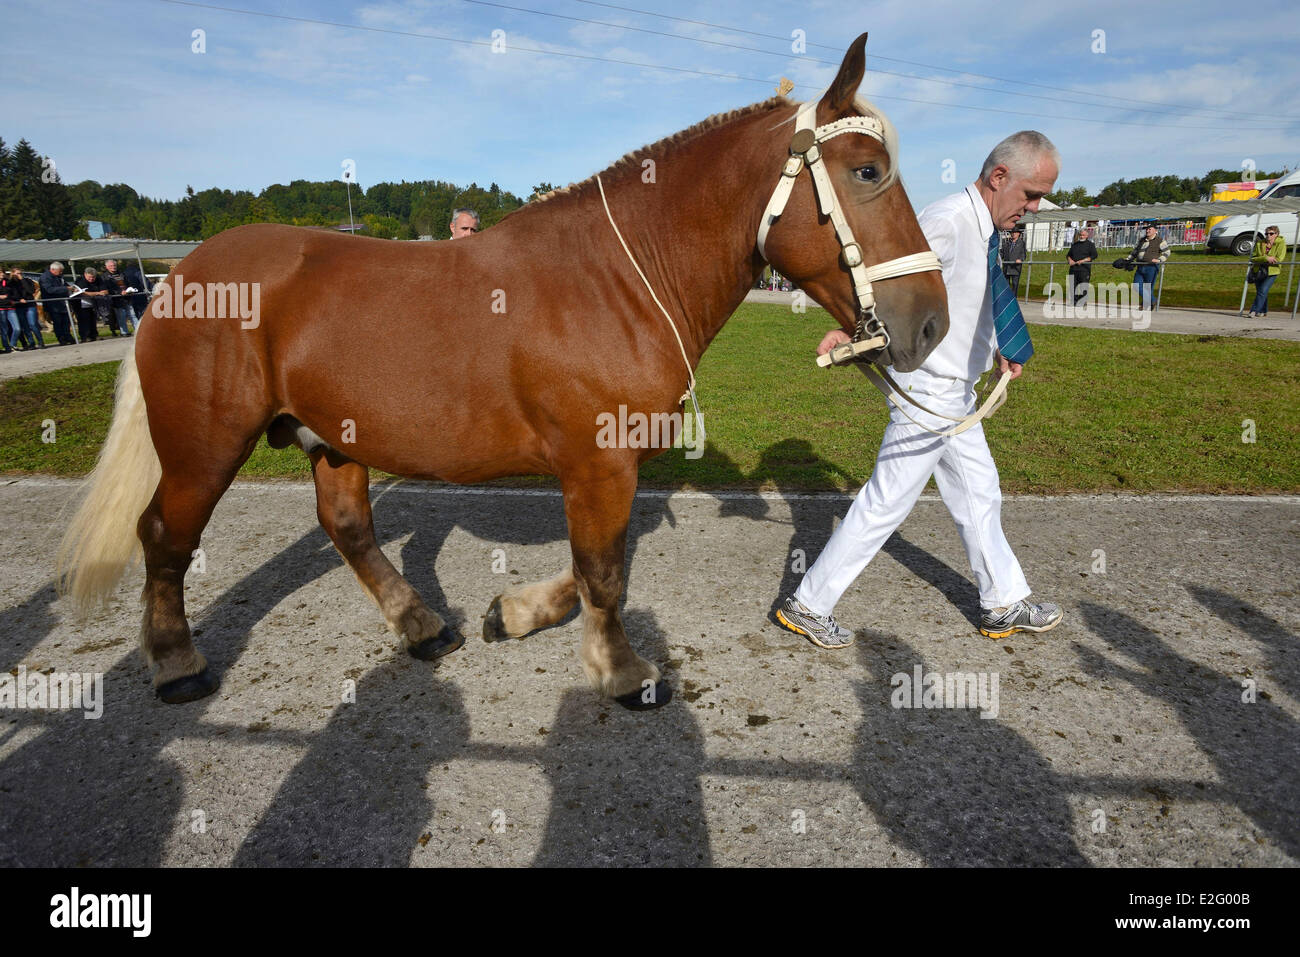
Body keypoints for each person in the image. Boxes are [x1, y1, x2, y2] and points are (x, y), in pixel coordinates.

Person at [776, 130, 1065, 648]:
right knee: (886, 502)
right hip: (928, 390)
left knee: (979, 493)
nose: (1035, 207)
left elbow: (971, 296)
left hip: (955, 390)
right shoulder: (949, 222)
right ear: (999, 177)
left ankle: (1002, 602)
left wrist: (1002, 343)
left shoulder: (982, 230)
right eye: (1031, 194)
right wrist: (852, 332)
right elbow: (891, 286)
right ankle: (808, 604)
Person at [1244, 226, 1287, 318]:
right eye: (1266, 233)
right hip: (1258, 271)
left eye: (1271, 233)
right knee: (1261, 291)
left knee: (1263, 290)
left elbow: (1279, 258)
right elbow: (1253, 258)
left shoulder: (1281, 243)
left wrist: (1269, 259)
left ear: (1276, 234)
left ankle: (1254, 311)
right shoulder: (1260, 243)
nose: (1268, 235)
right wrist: (1266, 258)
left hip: (1272, 271)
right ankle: (1263, 310)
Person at [1125, 223, 1168, 312]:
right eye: (1147, 229)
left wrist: (1160, 260)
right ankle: (1152, 300)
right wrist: (1127, 260)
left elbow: (1167, 252)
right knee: (1136, 286)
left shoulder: (1160, 240)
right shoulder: (1142, 240)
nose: (1147, 230)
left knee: (1148, 287)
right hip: (1140, 266)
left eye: (1150, 229)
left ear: (1155, 231)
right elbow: (1135, 252)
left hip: (1151, 267)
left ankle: (1146, 305)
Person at [39, 262, 76, 345]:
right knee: (58, 322)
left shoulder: (59, 277)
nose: (61, 273)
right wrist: (65, 288)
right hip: (53, 305)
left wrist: (72, 289)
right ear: (53, 270)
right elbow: (50, 290)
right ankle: (61, 338)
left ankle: (68, 336)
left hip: (63, 303)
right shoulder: (45, 278)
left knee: (66, 321)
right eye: (59, 271)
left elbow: (65, 285)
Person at [9, 266, 43, 349]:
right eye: (17, 273)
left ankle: (40, 341)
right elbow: (12, 294)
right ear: (12, 274)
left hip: (30, 305)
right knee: (25, 326)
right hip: (19, 306)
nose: (19, 275)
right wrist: (19, 299)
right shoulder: (11, 283)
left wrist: (22, 280)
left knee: (33, 324)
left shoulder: (27, 281)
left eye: (20, 273)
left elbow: (31, 291)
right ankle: (31, 343)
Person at [73, 266, 111, 342]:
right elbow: (83, 293)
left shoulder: (98, 279)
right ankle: (85, 337)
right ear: (85, 274)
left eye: (93, 277)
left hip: (94, 304)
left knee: (93, 321)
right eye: (89, 277)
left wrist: (94, 293)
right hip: (82, 304)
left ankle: (94, 335)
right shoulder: (80, 280)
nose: (92, 279)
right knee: (83, 321)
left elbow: (105, 291)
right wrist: (97, 293)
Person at [101, 259, 134, 336]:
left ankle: (138, 330)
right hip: (116, 300)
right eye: (111, 266)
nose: (113, 267)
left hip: (127, 298)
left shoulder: (122, 274)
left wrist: (130, 289)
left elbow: (128, 283)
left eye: (114, 265)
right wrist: (119, 292)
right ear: (107, 267)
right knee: (121, 316)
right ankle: (124, 332)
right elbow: (107, 288)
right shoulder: (104, 277)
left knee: (132, 315)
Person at [1066, 226, 1098, 305]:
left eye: (1083, 235)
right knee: (1072, 286)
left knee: (1083, 286)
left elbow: (1094, 255)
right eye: (1080, 235)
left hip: (1084, 269)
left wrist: (1083, 260)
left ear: (1087, 236)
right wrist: (1070, 260)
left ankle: (1083, 301)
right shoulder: (1075, 244)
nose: (1081, 236)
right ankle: (1074, 301)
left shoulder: (1090, 245)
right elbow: (1068, 255)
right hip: (1073, 269)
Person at [1000, 227, 1026, 296]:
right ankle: (1007, 299)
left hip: (1015, 267)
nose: (1014, 234)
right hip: (1006, 267)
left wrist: (1020, 259)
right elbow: (1001, 253)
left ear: (1018, 234)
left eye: (1015, 232)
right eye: (1012, 232)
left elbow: (1023, 254)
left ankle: (1014, 299)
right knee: (1006, 285)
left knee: (1015, 284)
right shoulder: (1006, 243)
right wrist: (997, 258)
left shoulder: (1021, 243)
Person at [0, 266, 19, 354]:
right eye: (0, 273)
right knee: (4, 329)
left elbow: (15, 293)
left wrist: (12, 299)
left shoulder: (8, 282)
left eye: (2, 272)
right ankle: (7, 347)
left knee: (17, 328)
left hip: (10, 307)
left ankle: (12, 344)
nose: (2, 274)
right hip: (1, 308)